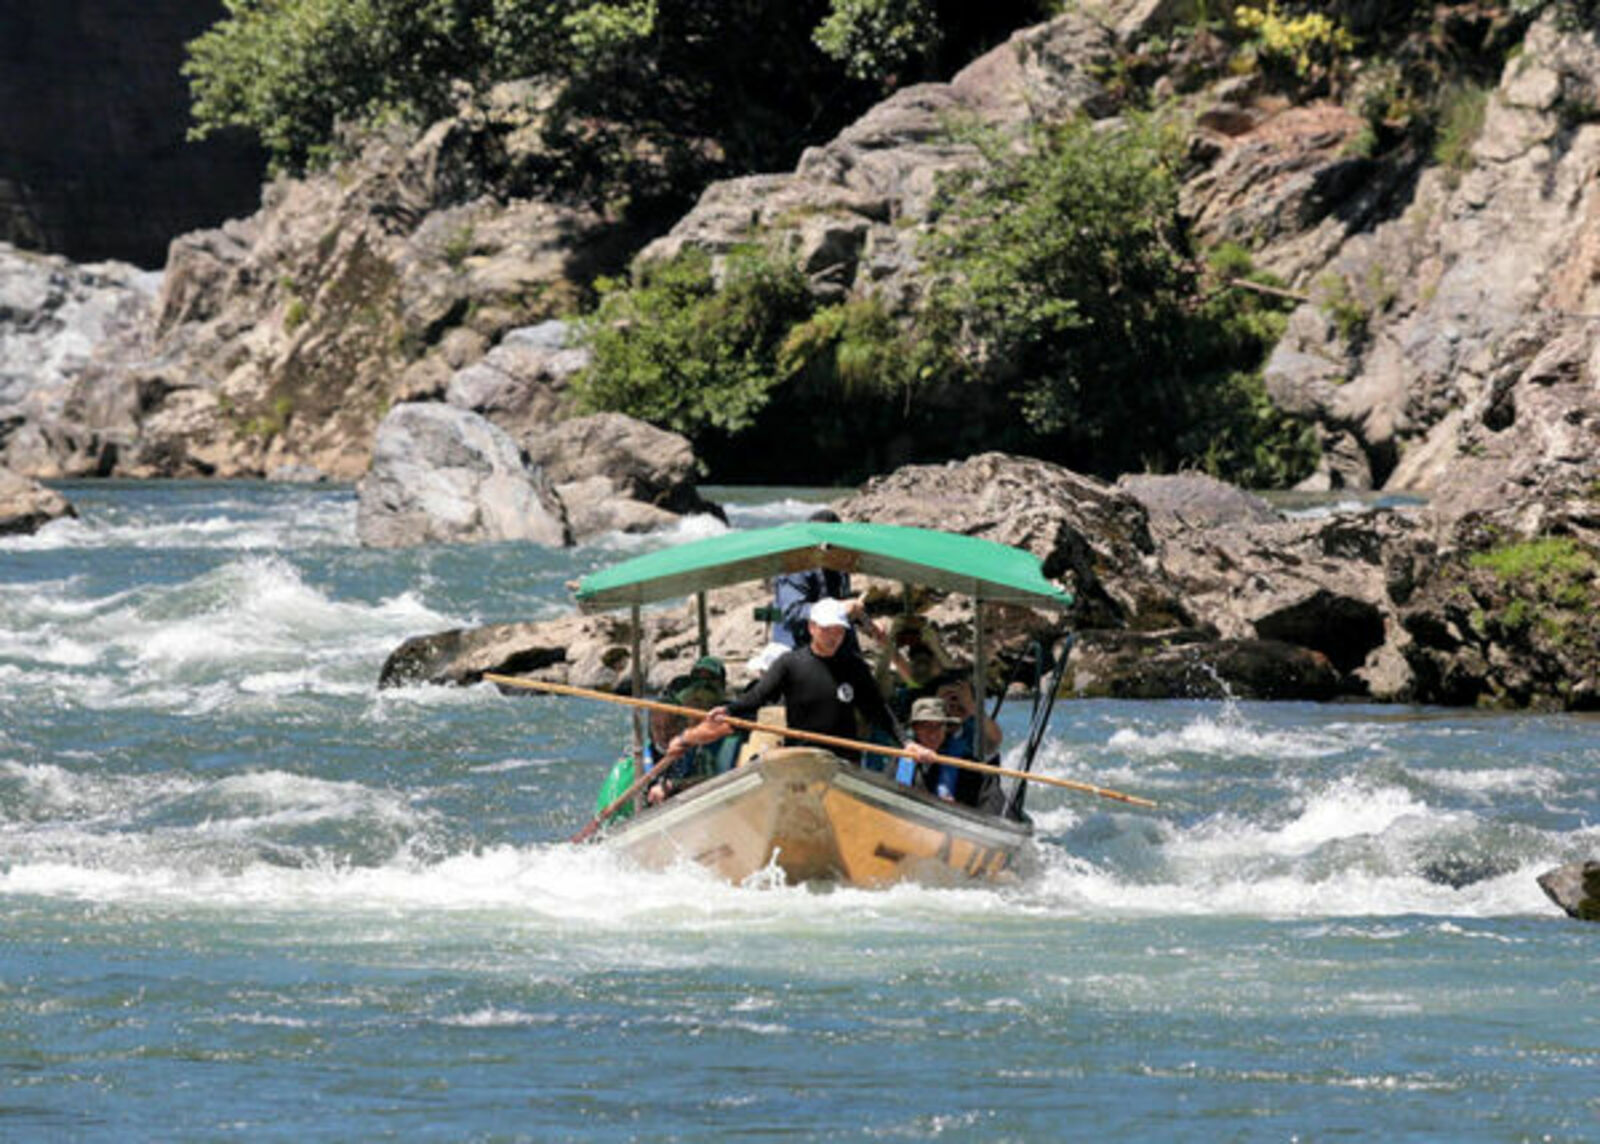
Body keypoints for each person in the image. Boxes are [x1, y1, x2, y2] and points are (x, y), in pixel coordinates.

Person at [694, 597, 904, 764]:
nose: (833, 637)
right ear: (812, 627)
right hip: (801, 759)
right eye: (826, 630)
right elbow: (758, 696)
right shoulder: (790, 664)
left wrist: (906, 742)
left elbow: (878, 710)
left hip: (843, 763)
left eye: (839, 631)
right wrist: (729, 710)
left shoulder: (855, 667)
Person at [892, 696, 962, 801]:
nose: (933, 734)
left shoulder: (963, 764)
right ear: (915, 729)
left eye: (938, 726)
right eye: (926, 726)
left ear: (946, 729)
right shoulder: (899, 760)